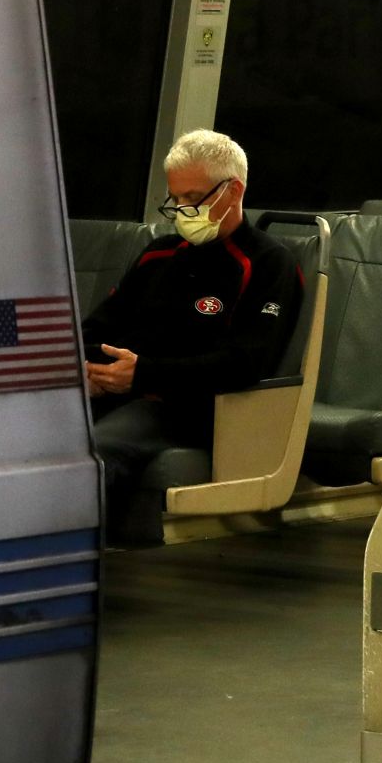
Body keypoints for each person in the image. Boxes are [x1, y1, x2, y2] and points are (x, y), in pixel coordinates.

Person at [82, 129, 304, 542]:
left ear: (232, 191)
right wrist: (95, 369)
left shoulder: (267, 264)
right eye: (176, 200)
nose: (183, 210)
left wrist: (144, 374)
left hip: (190, 409)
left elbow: (245, 363)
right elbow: (95, 329)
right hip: (125, 392)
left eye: (193, 198)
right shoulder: (158, 254)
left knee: (93, 451)